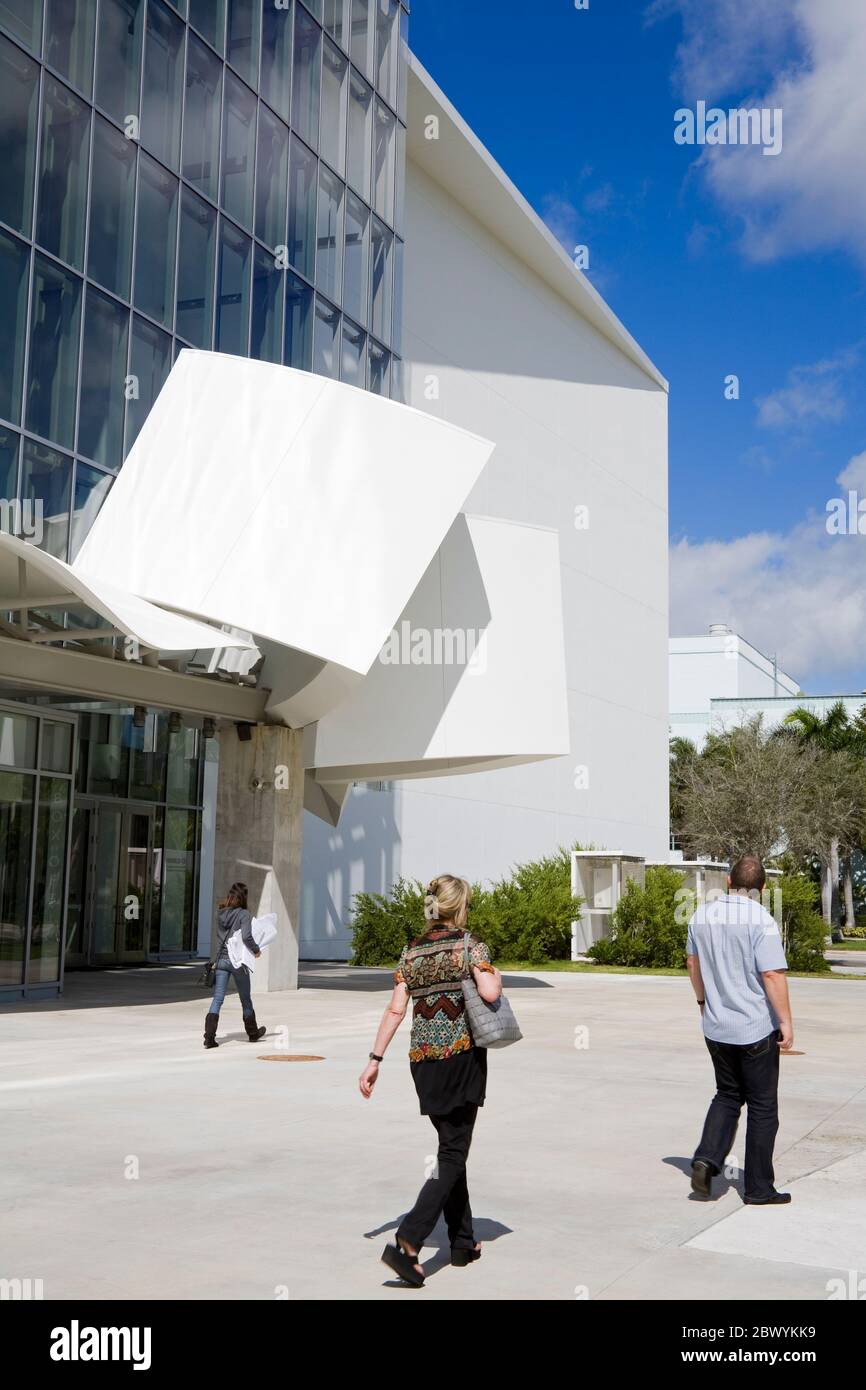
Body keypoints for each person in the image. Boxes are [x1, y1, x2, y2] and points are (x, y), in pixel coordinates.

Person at [358, 874, 501, 1287]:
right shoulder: (470, 946)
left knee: (450, 1148)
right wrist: (494, 974)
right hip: (461, 1059)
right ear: (460, 907)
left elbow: (395, 1011)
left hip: (423, 1063)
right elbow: (490, 993)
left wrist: (374, 1060)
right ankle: (409, 1240)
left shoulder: (411, 953)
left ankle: (462, 1243)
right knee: (453, 1154)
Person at [686, 854, 793, 1205]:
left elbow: (692, 963)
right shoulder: (762, 920)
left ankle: (706, 1159)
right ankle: (759, 1188)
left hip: (716, 1028)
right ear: (762, 888)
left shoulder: (701, 915)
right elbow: (772, 974)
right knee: (763, 1108)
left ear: (728, 882)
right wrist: (786, 1022)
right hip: (754, 1030)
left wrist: (703, 1002)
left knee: (727, 1095)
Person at [203, 882, 267, 1049]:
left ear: (230, 895)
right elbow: (246, 937)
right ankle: (253, 1033)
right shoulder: (244, 914)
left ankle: (209, 1037)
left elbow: (220, 939)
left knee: (218, 999)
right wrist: (256, 950)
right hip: (237, 961)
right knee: (245, 998)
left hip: (222, 961)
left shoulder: (221, 912)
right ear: (244, 897)